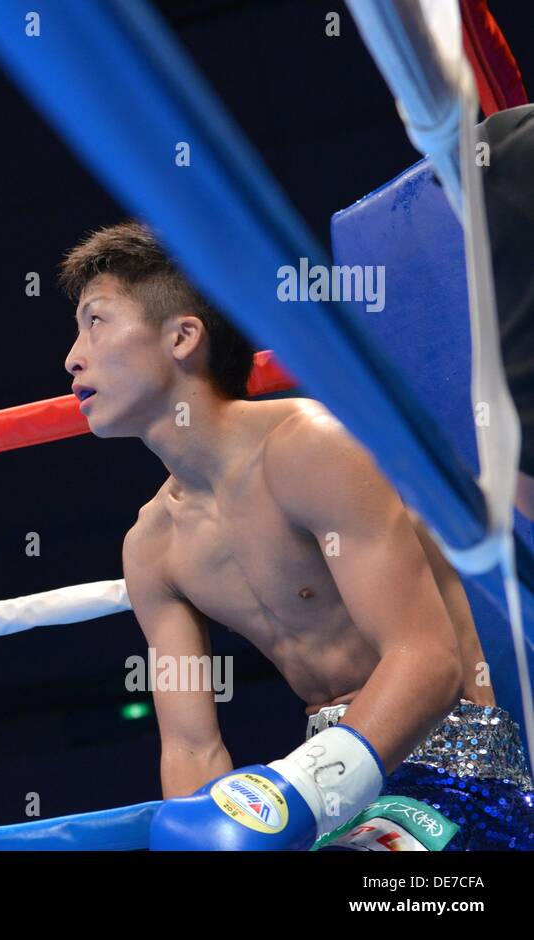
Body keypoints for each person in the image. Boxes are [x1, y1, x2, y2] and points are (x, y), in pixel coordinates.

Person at [61, 220, 532, 850]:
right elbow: (193, 748)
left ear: (182, 336)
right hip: (335, 801)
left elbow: (428, 660)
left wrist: (298, 791)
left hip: (454, 773)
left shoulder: (308, 449)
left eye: (96, 320)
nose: (73, 356)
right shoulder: (152, 546)